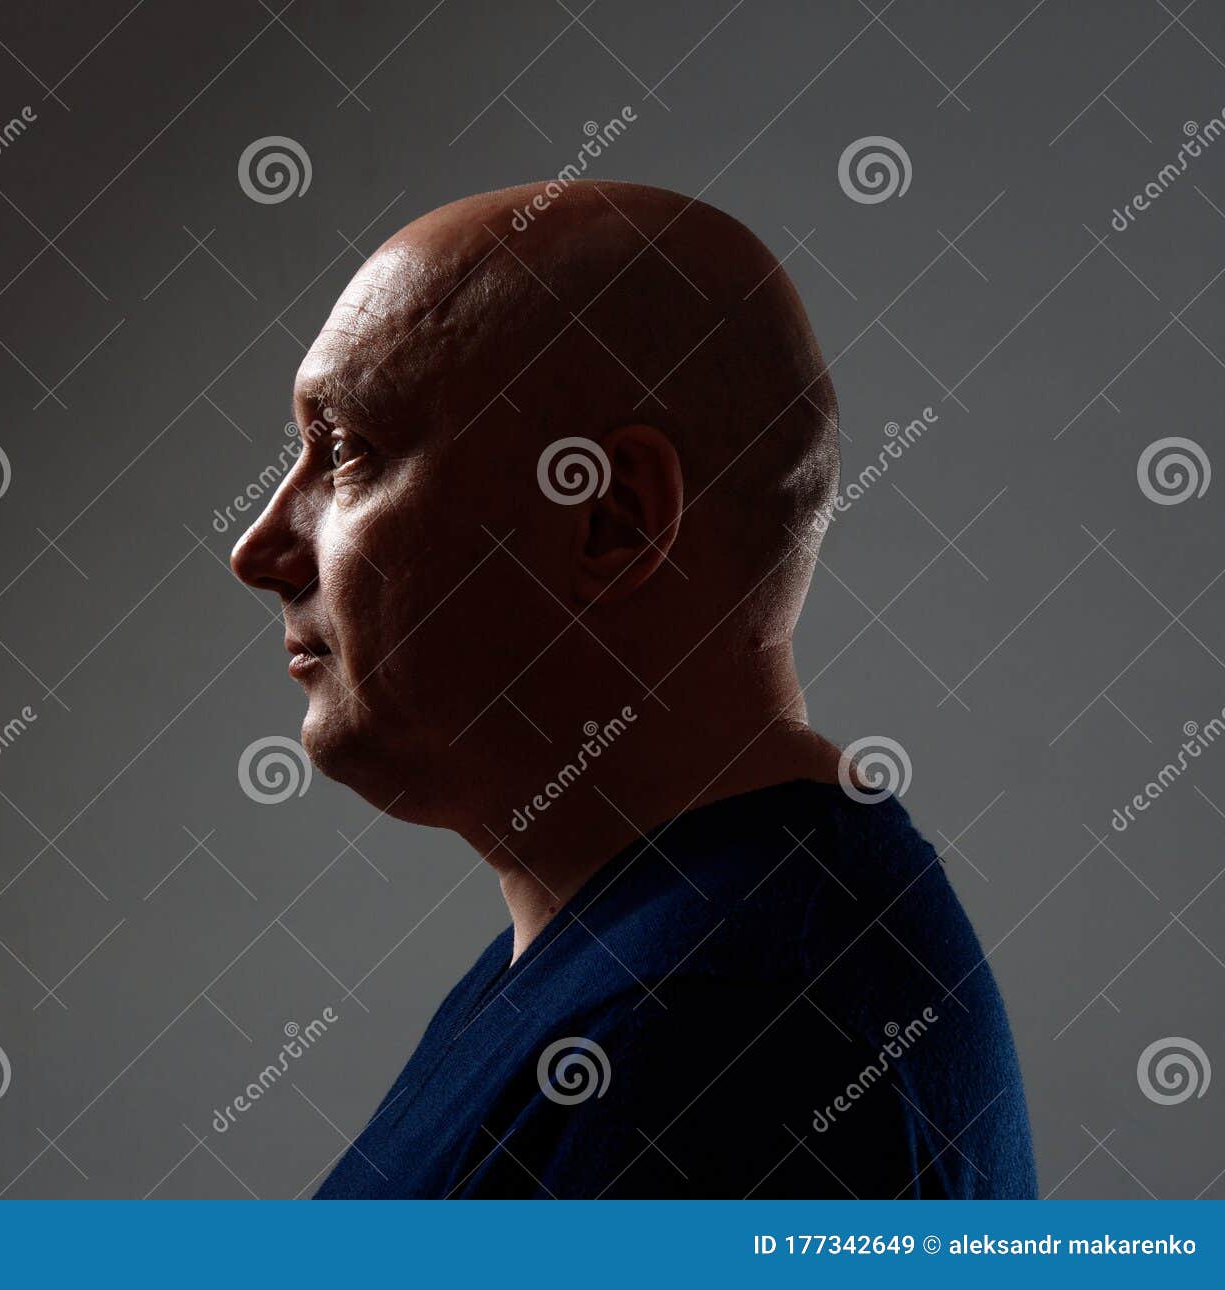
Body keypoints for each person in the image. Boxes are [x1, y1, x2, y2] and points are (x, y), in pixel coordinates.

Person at [229, 180, 1036, 1198]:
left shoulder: (713, 1039)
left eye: (346, 454)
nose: (257, 550)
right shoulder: (632, 951)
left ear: (609, 517)